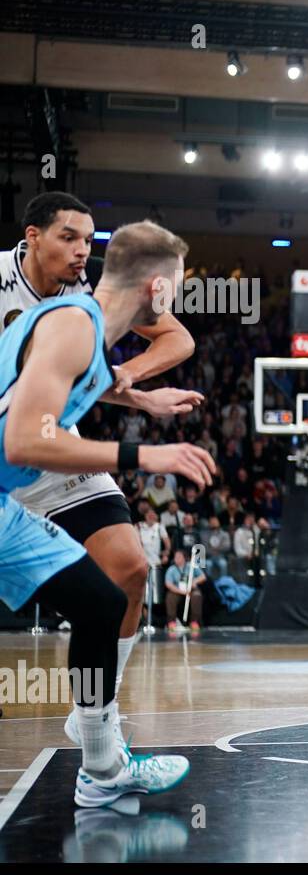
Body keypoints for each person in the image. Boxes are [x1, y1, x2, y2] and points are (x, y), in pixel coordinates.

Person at [0, 218, 213, 806]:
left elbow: (69, 389)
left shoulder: (82, 328)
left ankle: (100, 765)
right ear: (158, 289)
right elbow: (24, 441)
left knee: (105, 598)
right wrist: (145, 454)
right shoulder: (73, 323)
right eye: (178, 285)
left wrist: (138, 396)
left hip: (12, 488)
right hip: (14, 473)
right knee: (98, 602)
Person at [163, 548, 206, 636]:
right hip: (178, 590)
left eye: (179, 557)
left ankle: (194, 622)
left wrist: (195, 581)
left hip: (191, 590)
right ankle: (171, 622)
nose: (177, 559)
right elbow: (168, 584)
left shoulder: (192, 566)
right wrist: (181, 592)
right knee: (170, 597)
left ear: (184, 558)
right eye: (175, 557)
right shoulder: (171, 569)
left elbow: (203, 577)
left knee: (197, 595)